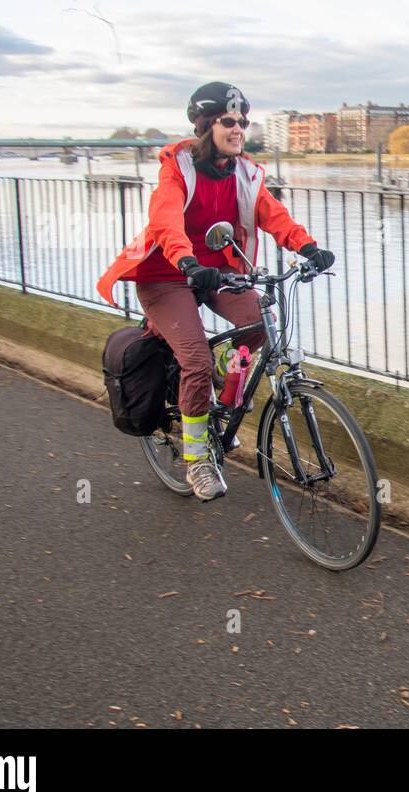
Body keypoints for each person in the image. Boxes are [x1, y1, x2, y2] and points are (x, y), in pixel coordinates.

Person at [97, 82, 335, 502]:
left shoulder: (243, 173)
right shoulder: (179, 168)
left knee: (259, 321)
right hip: (167, 272)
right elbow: (165, 221)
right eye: (229, 121)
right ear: (207, 126)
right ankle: (197, 460)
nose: (238, 128)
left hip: (217, 271)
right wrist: (188, 262)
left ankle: (221, 382)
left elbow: (271, 213)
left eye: (242, 121)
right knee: (194, 357)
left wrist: (307, 246)